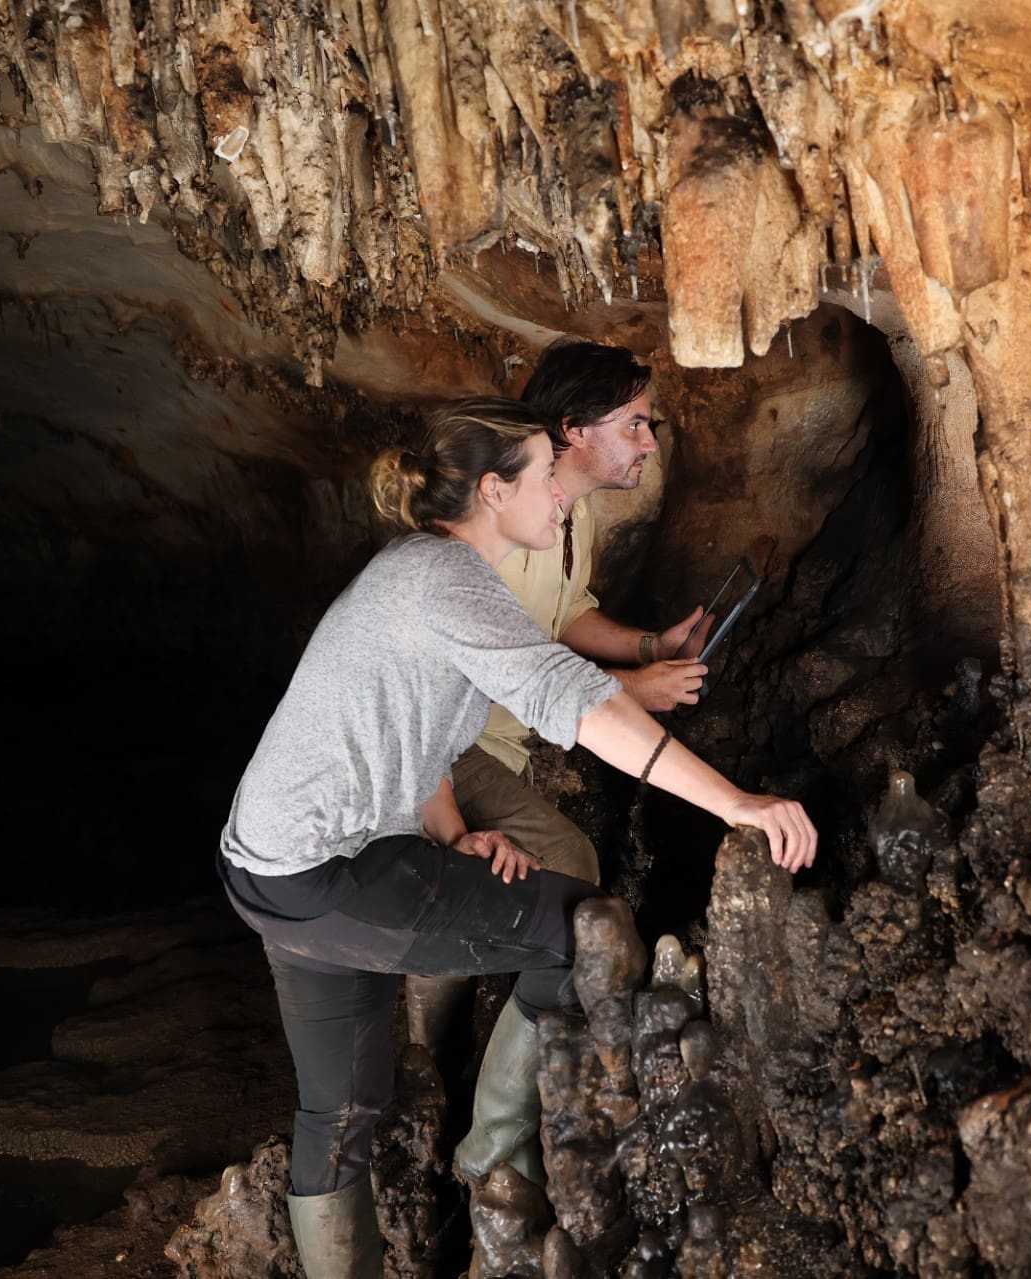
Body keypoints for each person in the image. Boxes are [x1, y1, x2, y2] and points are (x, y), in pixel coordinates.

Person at [217, 398, 816, 1279]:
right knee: (583, 929)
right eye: (543, 475)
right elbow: (584, 705)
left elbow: (414, 737)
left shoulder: (420, 571)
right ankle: (492, 1152)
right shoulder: (447, 578)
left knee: (339, 1110)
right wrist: (737, 804)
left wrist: (455, 834)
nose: (561, 493)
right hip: (326, 870)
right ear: (493, 492)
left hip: (270, 864)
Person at [404, 340, 708, 1053]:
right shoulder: (508, 527)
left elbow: (564, 614)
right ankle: (460, 1058)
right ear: (574, 430)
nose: (649, 443)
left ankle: (472, 1043)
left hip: (500, 742)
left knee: (538, 876)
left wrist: (648, 648)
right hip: (455, 742)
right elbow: (508, 670)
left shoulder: (574, 517)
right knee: (569, 869)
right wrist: (633, 691)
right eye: (634, 424)